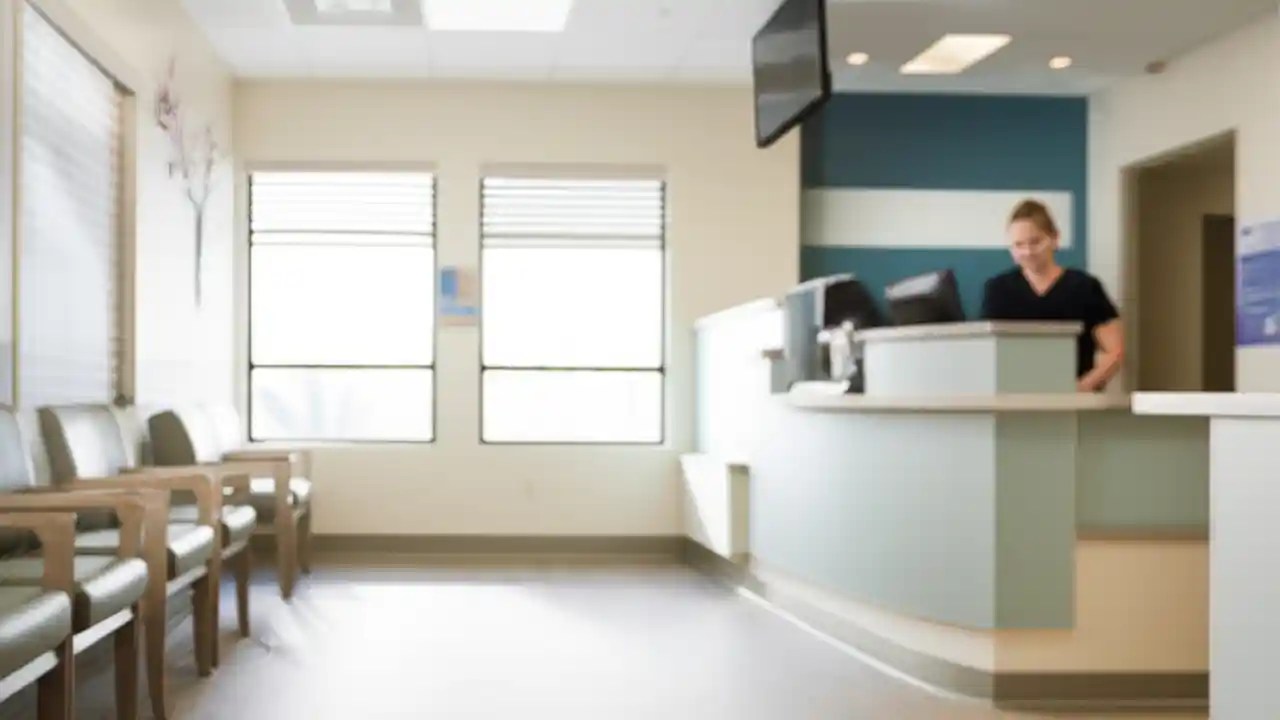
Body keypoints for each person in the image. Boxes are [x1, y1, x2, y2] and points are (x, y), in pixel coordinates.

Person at [981, 199, 1124, 392]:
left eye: (1036, 242)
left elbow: (1115, 351)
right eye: (1019, 245)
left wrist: (1082, 388)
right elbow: (985, 353)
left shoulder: (1084, 287)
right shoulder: (998, 290)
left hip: (1075, 404)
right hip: (1014, 400)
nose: (1028, 252)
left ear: (1055, 239)